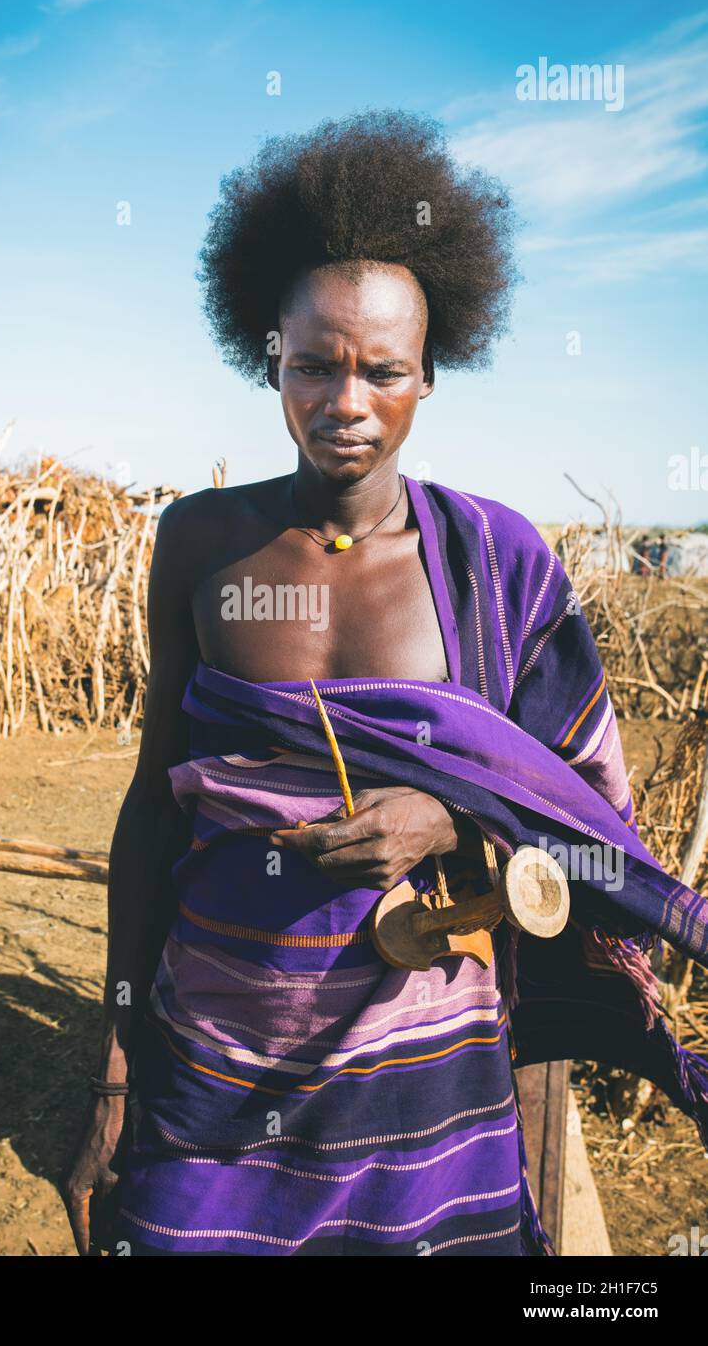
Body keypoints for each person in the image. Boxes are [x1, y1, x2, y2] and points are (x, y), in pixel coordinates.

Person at [60, 110, 708, 1257]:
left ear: (428, 373)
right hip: (219, 1036)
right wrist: (117, 1060)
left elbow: (581, 809)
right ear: (269, 357)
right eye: (311, 364)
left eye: (381, 370)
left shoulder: (495, 565)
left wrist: (449, 813)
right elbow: (154, 804)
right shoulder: (202, 543)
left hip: (421, 1055)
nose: (343, 401)